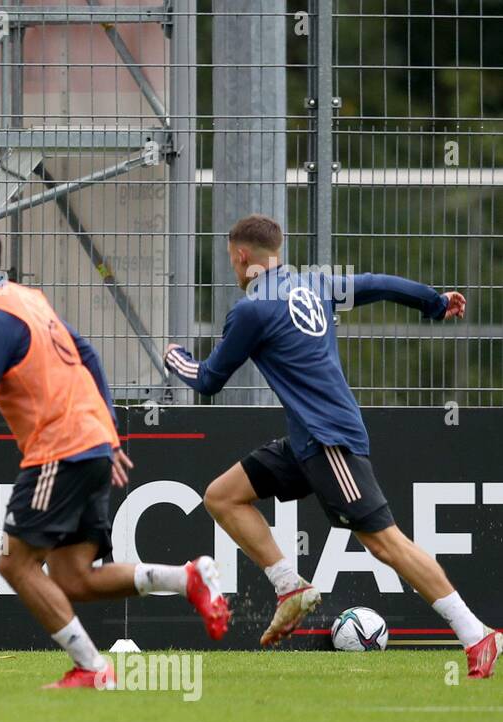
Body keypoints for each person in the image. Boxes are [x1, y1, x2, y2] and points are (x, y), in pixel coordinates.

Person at [165, 213, 500, 677]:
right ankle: (290, 587)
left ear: (242, 256)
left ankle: (475, 633)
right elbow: (378, 282)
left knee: (384, 542)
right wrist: (434, 302)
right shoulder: (315, 283)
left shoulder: (251, 309)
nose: (233, 268)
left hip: (329, 442)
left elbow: (207, 381)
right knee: (222, 496)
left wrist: (174, 357)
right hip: (308, 440)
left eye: (231, 260)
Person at [0, 214, 230, 689]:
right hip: (90, 443)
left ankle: (93, 668)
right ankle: (188, 580)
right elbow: (89, 355)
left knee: (14, 563)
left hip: (58, 449)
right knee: (74, 578)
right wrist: (110, 433)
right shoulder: (27, 299)